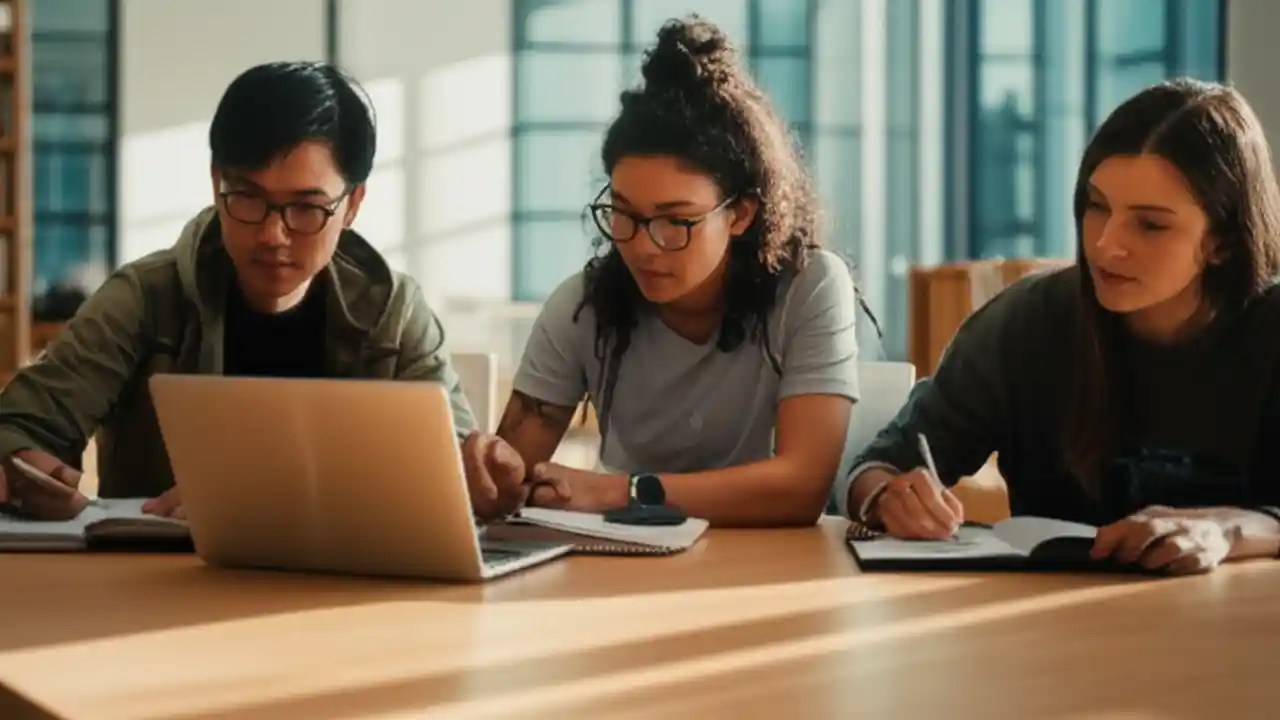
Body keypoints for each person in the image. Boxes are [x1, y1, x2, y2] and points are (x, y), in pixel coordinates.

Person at [0, 61, 527, 522]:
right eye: (248, 198)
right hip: (160, 579)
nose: (273, 235)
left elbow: (455, 467)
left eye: (306, 208)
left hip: (346, 585)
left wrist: (484, 477)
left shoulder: (393, 312)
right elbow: (20, 427)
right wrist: (24, 463)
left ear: (352, 204)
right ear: (216, 183)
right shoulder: (145, 297)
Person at [841, 78, 1280, 574]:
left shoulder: (1269, 331)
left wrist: (1228, 531)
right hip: (1044, 611)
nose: (1106, 244)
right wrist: (886, 496)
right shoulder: (1028, 322)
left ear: (1223, 241)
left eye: (1150, 224)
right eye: (1097, 206)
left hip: (1237, 616)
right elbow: (875, 467)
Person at [494, 17, 861, 527]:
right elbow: (507, 482)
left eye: (676, 221)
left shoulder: (809, 286)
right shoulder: (584, 306)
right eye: (623, 213)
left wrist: (619, 492)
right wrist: (488, 475)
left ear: (741, 214)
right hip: (622, 556)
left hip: (774, 560)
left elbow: (801, 488)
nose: (643, 246)